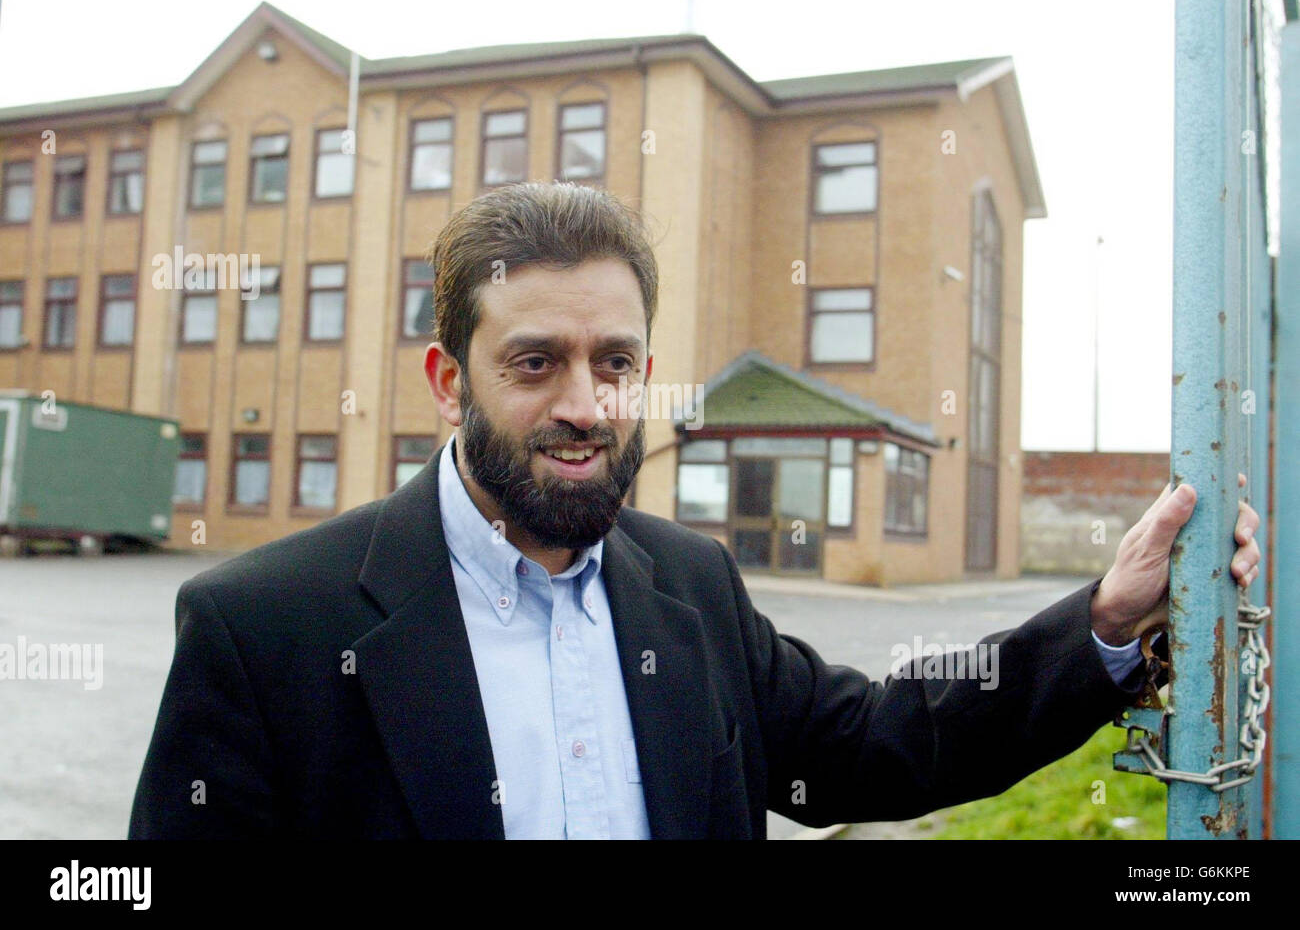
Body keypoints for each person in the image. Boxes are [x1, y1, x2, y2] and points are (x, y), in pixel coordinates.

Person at [128, 182, 1262, 839]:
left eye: (613, 362)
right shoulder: (264, 625)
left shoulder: (690, 584)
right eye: (534, 361)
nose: (585, 405)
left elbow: (873, 743)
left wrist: (1106, 624)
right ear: (447, 379)